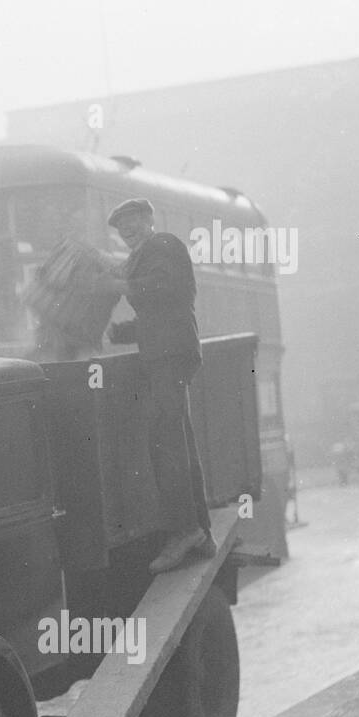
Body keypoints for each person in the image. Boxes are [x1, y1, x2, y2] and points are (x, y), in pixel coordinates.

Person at [104, 198, 215, 574]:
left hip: (171, 355)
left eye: (133, 222)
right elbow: (159, 313)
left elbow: (165, 291)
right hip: (170, 351)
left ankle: (184, 530)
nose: (127, 231)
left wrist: (121, 282)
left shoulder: (162, 245)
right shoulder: (148, 255)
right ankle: (200, 531)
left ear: (150, 221)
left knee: (163, 439)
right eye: (122, 228)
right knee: (180, 441)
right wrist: (116, 332)